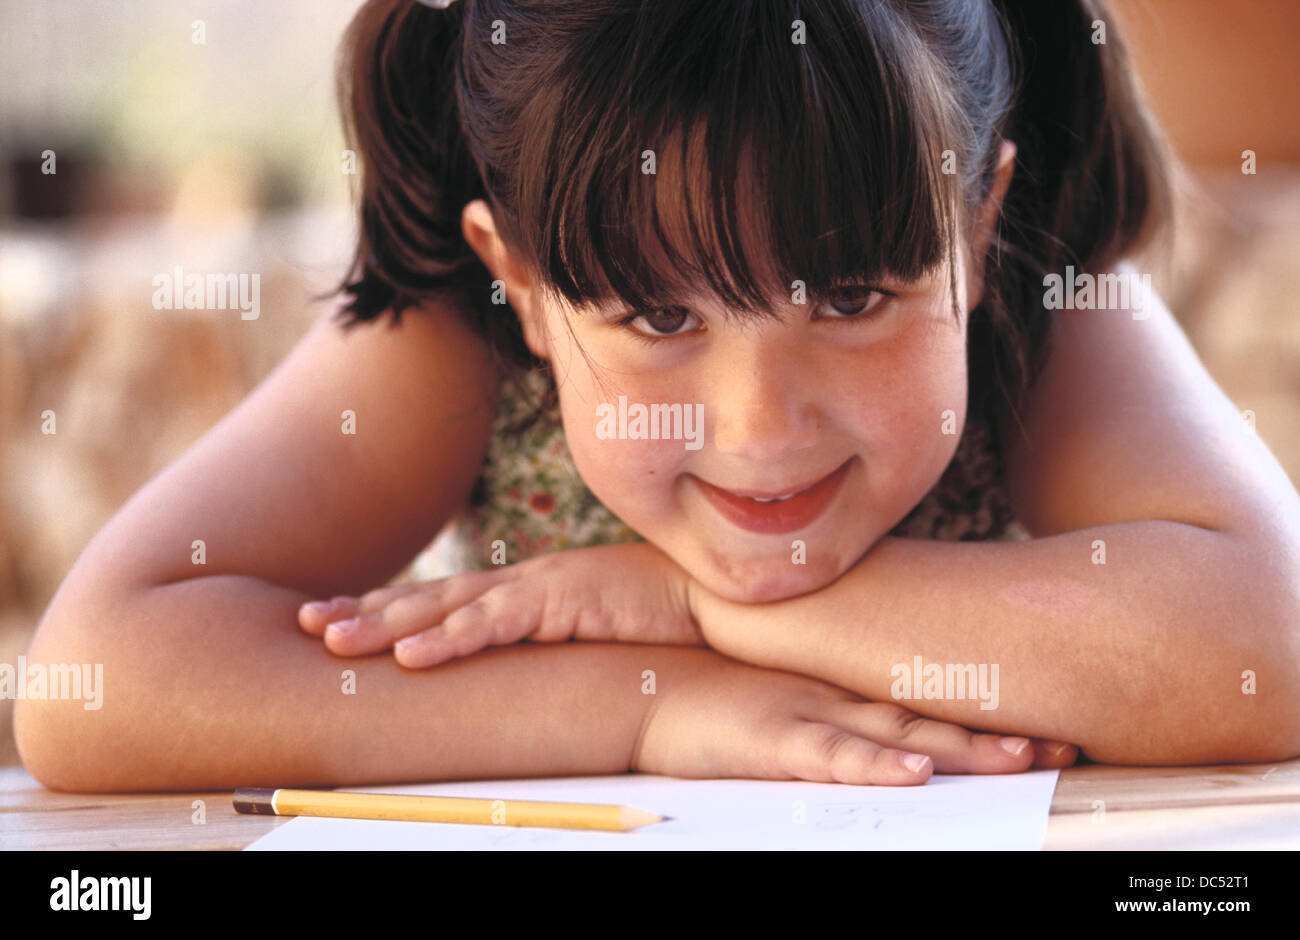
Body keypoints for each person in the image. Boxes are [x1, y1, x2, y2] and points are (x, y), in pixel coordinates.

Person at [20, 0, 1299, 793]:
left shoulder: (1037, 307)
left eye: (850, 298)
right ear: (518, 283)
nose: (761, 431)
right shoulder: (466, 342)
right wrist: (651, 703)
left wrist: (679, 600)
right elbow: (97, 685)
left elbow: (1265, 646)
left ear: (977, 231)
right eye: (659, 317)